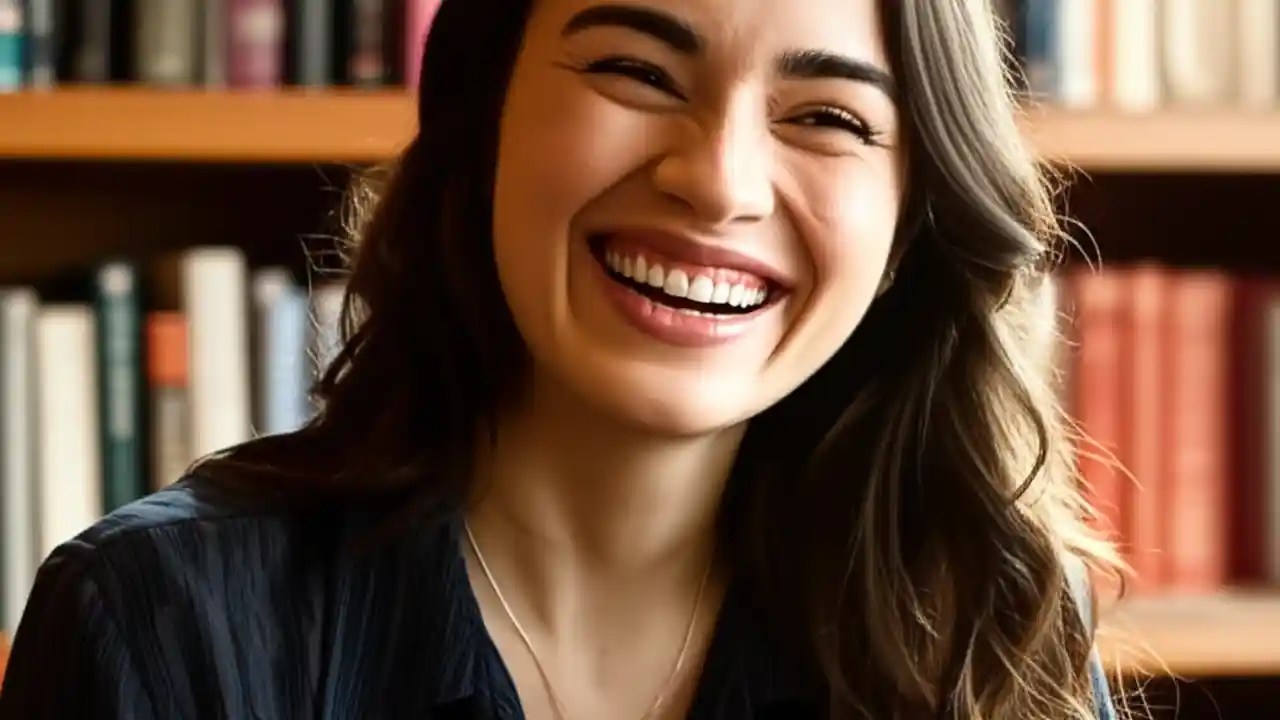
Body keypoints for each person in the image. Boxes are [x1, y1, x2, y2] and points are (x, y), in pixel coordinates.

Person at [0, 1, 1125, 718]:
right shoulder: (158, 623)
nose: (718, 181)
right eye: (636, 71)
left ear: (906, 231)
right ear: (482, 122)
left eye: (826, 117)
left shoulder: (986, 626)